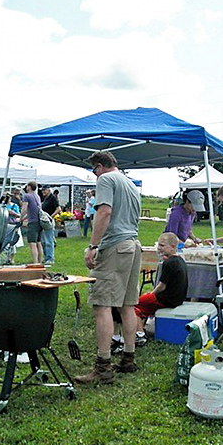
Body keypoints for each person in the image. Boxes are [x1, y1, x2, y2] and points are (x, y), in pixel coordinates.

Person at [76, 151, 141, 384]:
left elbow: (104, 212)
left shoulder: (105, 180)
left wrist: (93, 245)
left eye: (94, 171)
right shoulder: (131, 184)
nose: (94, 176)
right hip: (133, 245)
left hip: (114, 245)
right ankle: (128, 358)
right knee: (127, 305)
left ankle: (103, 366)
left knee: (102, 305)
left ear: (100, 167)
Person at [134, 232, 188, 324]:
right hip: (178, 299)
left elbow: (162, 286)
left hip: (166, 300)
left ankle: (139, 333)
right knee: (144, 302)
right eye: (158, 245)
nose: (159, 248)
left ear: (173, 246)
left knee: (135, 305)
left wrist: (151, 293)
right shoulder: (181, 260)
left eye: (162, 245)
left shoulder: (169, 263)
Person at [20, 181, 43, 264]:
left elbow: (25, 209)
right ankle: (40, 262)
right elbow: (33, 211)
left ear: (29, 187)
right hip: (39, 222)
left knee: (32, 243)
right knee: (39, 242)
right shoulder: (37, 196)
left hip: (32, 223)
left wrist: (20, 218)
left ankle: (35, 263)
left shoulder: (26, 196)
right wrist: (24, 218)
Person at [40, 185, 61, 265]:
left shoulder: (52, 198)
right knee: (44, 241)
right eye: (42, 191)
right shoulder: (45, 198)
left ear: (49, 190)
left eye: (45, 190)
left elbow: (58, 209)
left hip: (48, 221)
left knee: (49, 240)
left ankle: (50, 258)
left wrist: (51, 217)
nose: (43, 192)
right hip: (44, 221)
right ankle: (46, 257)